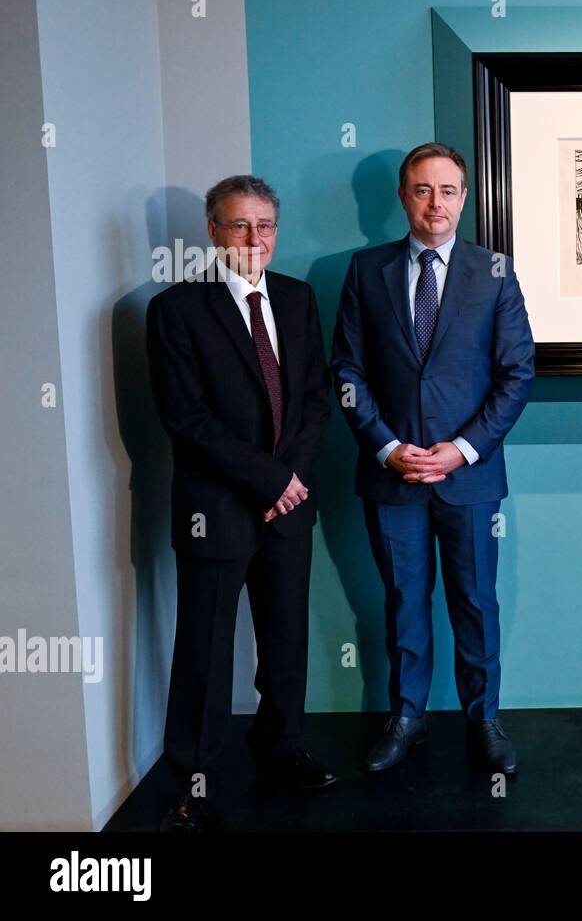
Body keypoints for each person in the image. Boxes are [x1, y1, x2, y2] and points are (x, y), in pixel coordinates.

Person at [331, 142, 534, 776]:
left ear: (465, 197)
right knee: (402, 599)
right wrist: (389, 448)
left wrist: (461, 450)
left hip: (468, 477)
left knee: (475, 600)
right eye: (422, 190)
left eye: (447, 190)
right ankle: (407, 717)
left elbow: (518, 373)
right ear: (402, 197)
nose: (435, 203)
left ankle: (485, 718)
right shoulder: (367, 270)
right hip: (391, 475)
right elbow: (347, 370)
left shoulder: (495, 270)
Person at [146, 175, 336, 832]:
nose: (255, 239)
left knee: (286, 637)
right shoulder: (175, 310)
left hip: (290, 502)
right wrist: (267, 481)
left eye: (266, 226)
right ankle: (193, 777)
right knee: (204, 649)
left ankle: (282, 747)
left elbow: (315, 398)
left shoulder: (298, 298)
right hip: (217, 507)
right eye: (239, 226)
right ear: (213, 231)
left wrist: (291, 482)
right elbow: (187, 421)